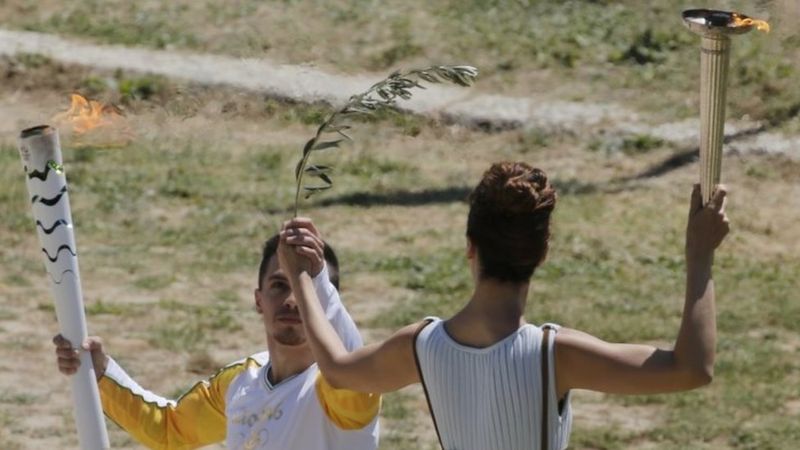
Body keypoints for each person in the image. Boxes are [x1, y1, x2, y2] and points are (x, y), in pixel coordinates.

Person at [277, 161, 729, 450]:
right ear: (542, 253)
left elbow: (337, 368)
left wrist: (302, 277)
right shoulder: (557, 356)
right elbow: (692, 368)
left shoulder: (421, 346)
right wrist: (699, 256)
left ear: (470, 247)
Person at [53, 232, 380, 450]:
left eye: (305, 289)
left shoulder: (338, 391)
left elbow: (353, 367)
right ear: (258, 300)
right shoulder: (242, 381)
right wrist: (100, 372)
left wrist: (317, 277)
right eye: (280, 285)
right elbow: (171, 428)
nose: (292, 300)